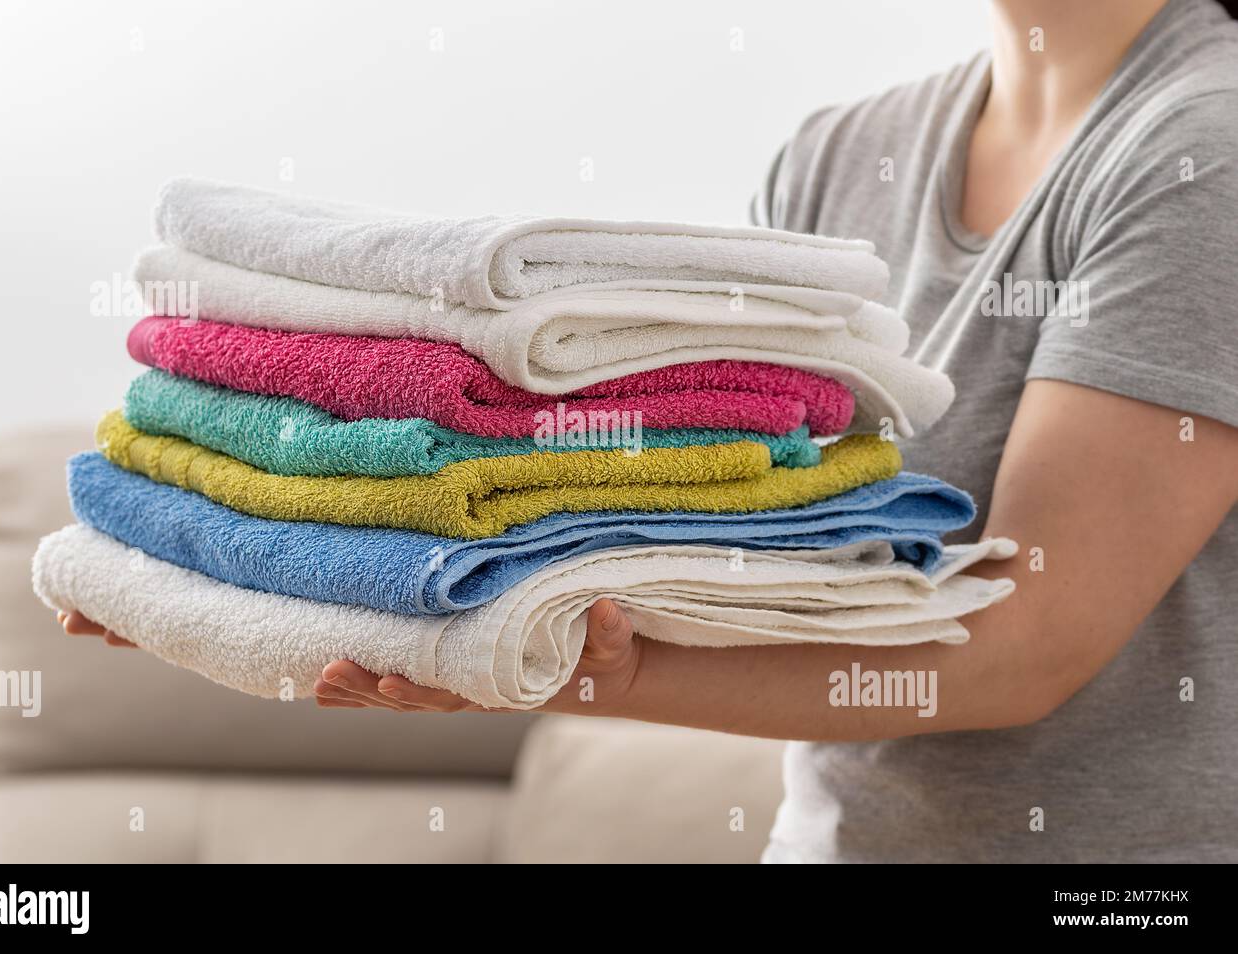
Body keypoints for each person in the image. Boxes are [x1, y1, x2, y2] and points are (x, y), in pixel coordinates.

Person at [60, 0, 1238, 862]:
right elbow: (768, 544)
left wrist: (528, 657)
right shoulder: (840, 157)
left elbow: (1022, 644)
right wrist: (211, 559)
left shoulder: (1205, 147)